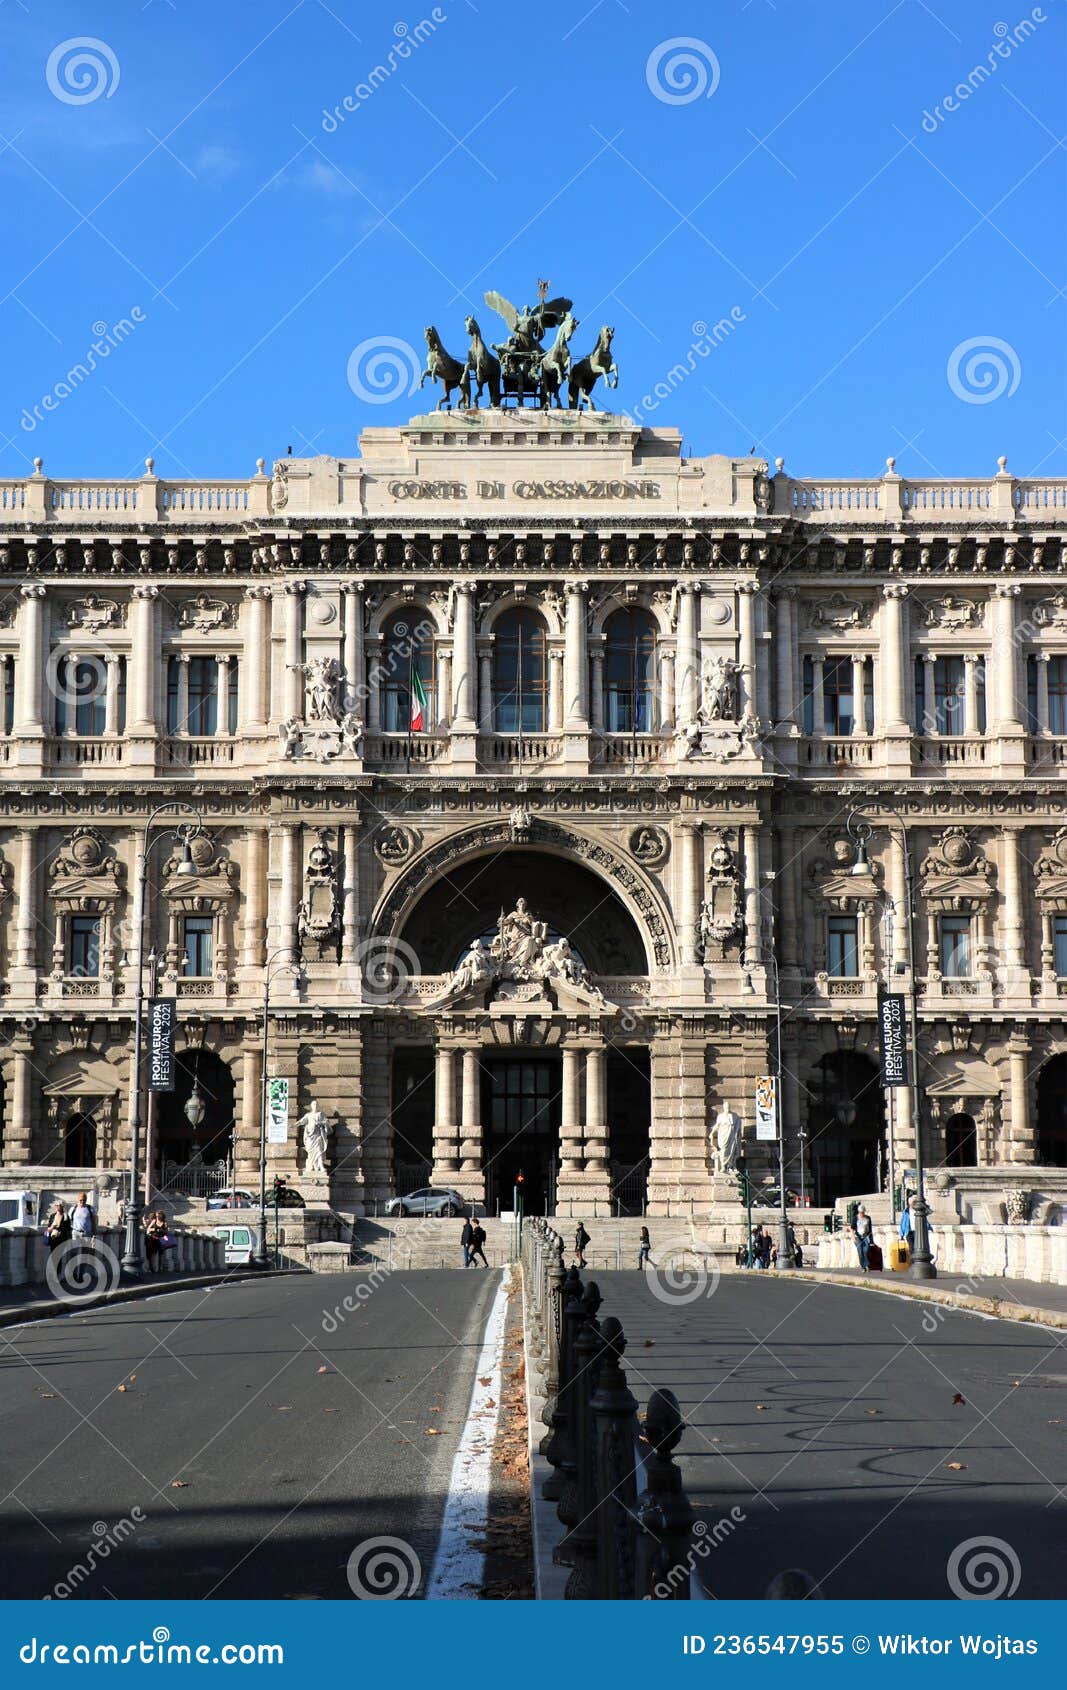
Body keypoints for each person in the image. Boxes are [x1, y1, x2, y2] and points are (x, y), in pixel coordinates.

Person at [853, 1204, 873, 1272]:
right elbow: (852, 1228)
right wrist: (853, 1238)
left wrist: (871, 1240)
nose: (862, 1214)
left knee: (866, 1250)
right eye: (861, 1212)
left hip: (865, 1236)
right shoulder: (855, 1218)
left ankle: (866, 1264)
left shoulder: (868, 1218)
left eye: (863, 1212)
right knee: (860, 1252)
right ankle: (864, 1266)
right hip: (857, 1237)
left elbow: (870, 1229)